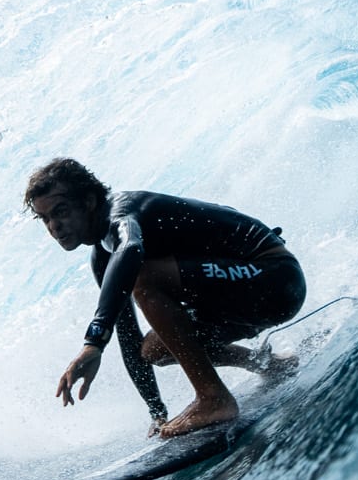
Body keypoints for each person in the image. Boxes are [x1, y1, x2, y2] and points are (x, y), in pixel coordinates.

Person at [24, 157, 304, 438]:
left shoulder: (122, 213)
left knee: (144, 278)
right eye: (45, 218)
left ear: (87, 201)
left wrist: (94, 342)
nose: (54, 227)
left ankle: (213, 397)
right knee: (153, 349)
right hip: (241, 299)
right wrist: (157, 412)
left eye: (60, 212)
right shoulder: (103, 254)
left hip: (274, 279)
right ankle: (267, 364)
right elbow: (128, 336)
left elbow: (131, 249)